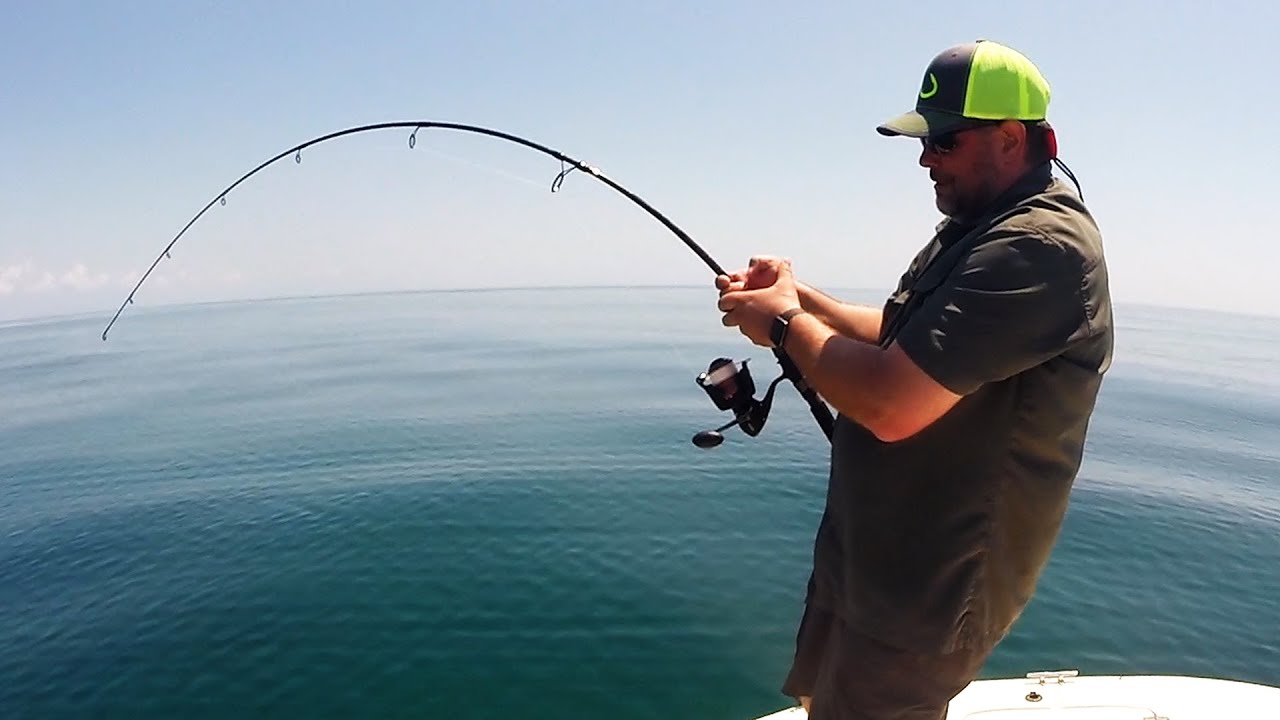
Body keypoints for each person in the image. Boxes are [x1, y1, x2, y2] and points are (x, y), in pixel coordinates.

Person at [714, 39, 1114, 720]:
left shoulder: (1038, 249)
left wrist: (781, 325)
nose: (926, 158)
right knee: (821, 700)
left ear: (1010, 138)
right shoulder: (977, 227)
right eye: (923, 141)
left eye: (944, 141)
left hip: (927, 586)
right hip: (870, 553)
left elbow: (890, 400)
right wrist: (798, 298)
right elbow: (903, 337)